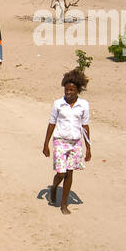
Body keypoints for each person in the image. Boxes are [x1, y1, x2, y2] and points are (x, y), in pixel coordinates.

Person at [43, 69, 92, 215]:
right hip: (60, 141)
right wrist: (45, 144)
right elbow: (51, 123)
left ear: (78, 90)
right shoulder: (58, 104)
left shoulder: (84, 105)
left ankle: (64, 204)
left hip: (75, 142)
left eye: (71, 90)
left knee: (69, 173)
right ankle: (53, 187)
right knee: (61, 173)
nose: (68, 92)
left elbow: (85, 126)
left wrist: (88, 148)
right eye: (66, 89)